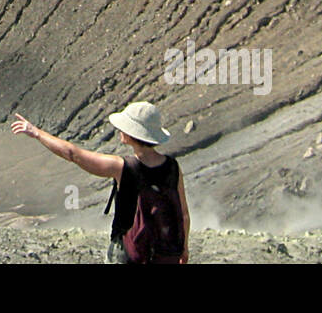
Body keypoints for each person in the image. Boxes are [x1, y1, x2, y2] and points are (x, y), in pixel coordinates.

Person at [11, 101, 189, 264]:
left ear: (132, 133)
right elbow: (184, 214)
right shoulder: (173, 167)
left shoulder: (123, 167)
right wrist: (184, 248)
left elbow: (73, 154)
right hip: (165, 255)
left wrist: (36, 133)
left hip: (128, 252)